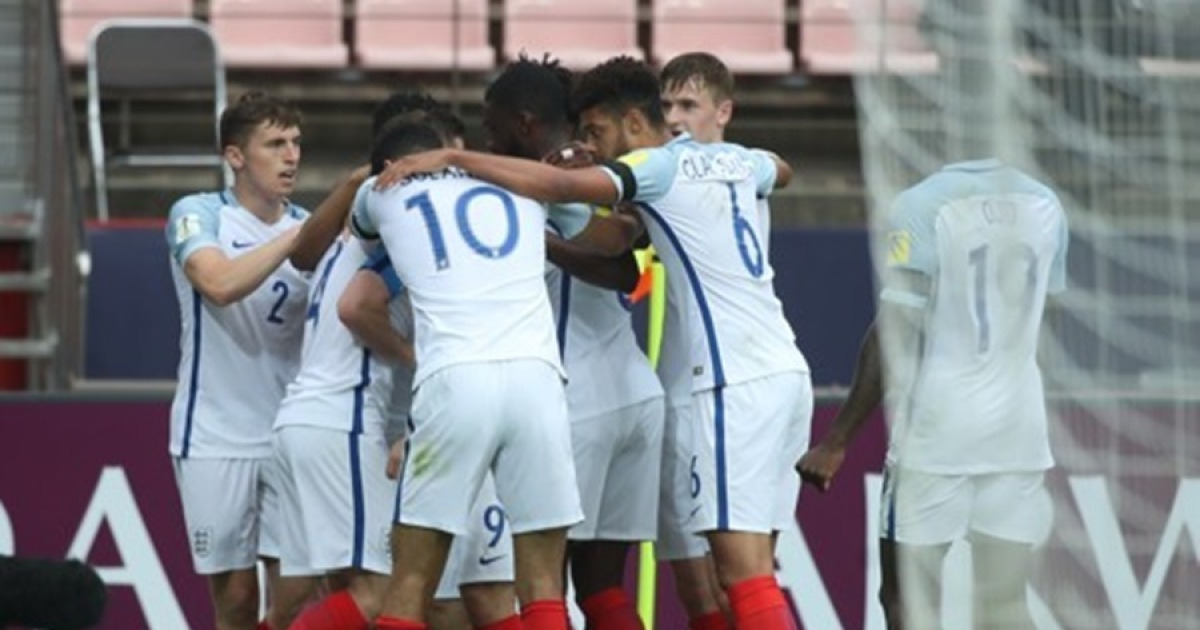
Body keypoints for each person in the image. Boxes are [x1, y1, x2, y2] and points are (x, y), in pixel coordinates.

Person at [373, 55, 812, 630]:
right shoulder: (727, 161)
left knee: (532, 582)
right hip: (702, 384)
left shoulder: (594, 179)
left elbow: (569, 197)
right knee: (625, 583)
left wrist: (455, 159)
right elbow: (776, 172)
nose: (589, 143)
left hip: (592, 398)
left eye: (597, 132)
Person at [797, 23, 1069, 628]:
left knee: (907, 600)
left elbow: (896, 329)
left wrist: (837, 440)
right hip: (1018, 429)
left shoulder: (924, 204)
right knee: (1005, 603)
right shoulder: (1046, 205)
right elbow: (1042, 322)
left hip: (940, 433)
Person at [353, 119, 583, 630]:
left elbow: (362, 234)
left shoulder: (380, 191)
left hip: (455, 379)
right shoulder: (526, 186)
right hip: (537, 378)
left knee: (411, 583)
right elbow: (601, 228)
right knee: (545, 588)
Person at [483, 55, 665, 630]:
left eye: (493, 125)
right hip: (634, 393)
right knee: (603, 587)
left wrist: (537, 239)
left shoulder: (540, 187)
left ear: (524, 122)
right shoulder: (604, 176)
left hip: (575, 403)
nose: (489, 140)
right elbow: (629, 270)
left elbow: (617, 262)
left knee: (539, 585)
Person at [164, 90, 310, 630]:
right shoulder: (198, 214)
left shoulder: (308, 227)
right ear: (235, 156)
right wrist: (296, 240)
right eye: (275, 144)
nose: (291, 156)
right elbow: (218, 284)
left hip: (289, 435)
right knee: (237, 603)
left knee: (297, 598)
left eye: (295, 142)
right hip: (215, 435)